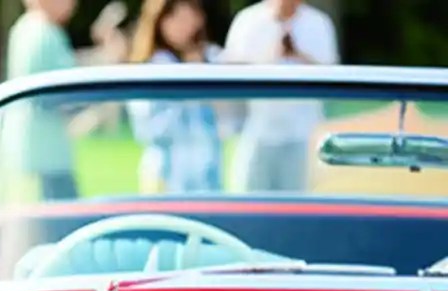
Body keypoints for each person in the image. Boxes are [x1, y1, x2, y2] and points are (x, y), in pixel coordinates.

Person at [222, 0, 339, 192]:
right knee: (250, 203)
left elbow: (332, 76)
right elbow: (231, 73)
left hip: (303, 133)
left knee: (297, 207)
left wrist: (298, 55)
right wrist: (270, 57)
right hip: (257, 130)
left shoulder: (318, 23)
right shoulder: (248, 21)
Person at [128, 0, 225, 193]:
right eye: (175, 18)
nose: (183, 26)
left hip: (206, 171)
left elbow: (229, 114)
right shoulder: (153, 67)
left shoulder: (212, 59)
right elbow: (149, 127)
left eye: (188, 17)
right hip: (166, 173)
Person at [3, 0, 80, 200]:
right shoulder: (42, 33)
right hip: (45, 153)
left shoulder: (27, 29)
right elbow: (57, 91)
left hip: (41, 148)